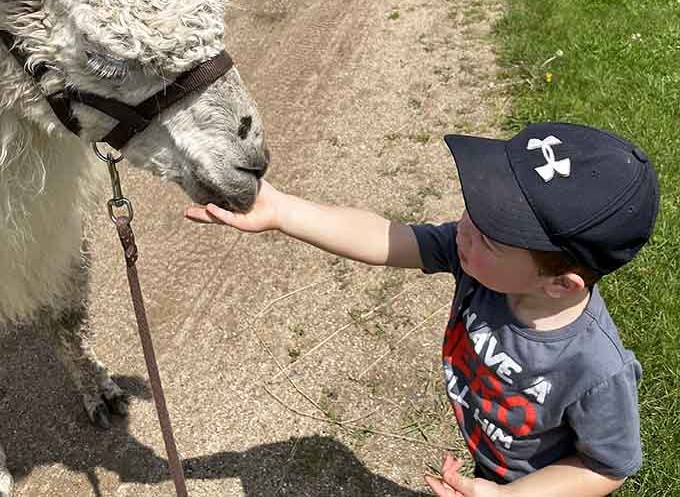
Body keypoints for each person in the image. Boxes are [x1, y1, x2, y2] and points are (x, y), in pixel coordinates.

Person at [185, 122, 659, 496]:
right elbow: (387, 238)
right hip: (491, 465)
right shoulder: (477, 260)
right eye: (475, 209)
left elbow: (606, 465)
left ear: (560, 283)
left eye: (489, 235)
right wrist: (282, 211)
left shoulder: (597, 368)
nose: (463, 228)